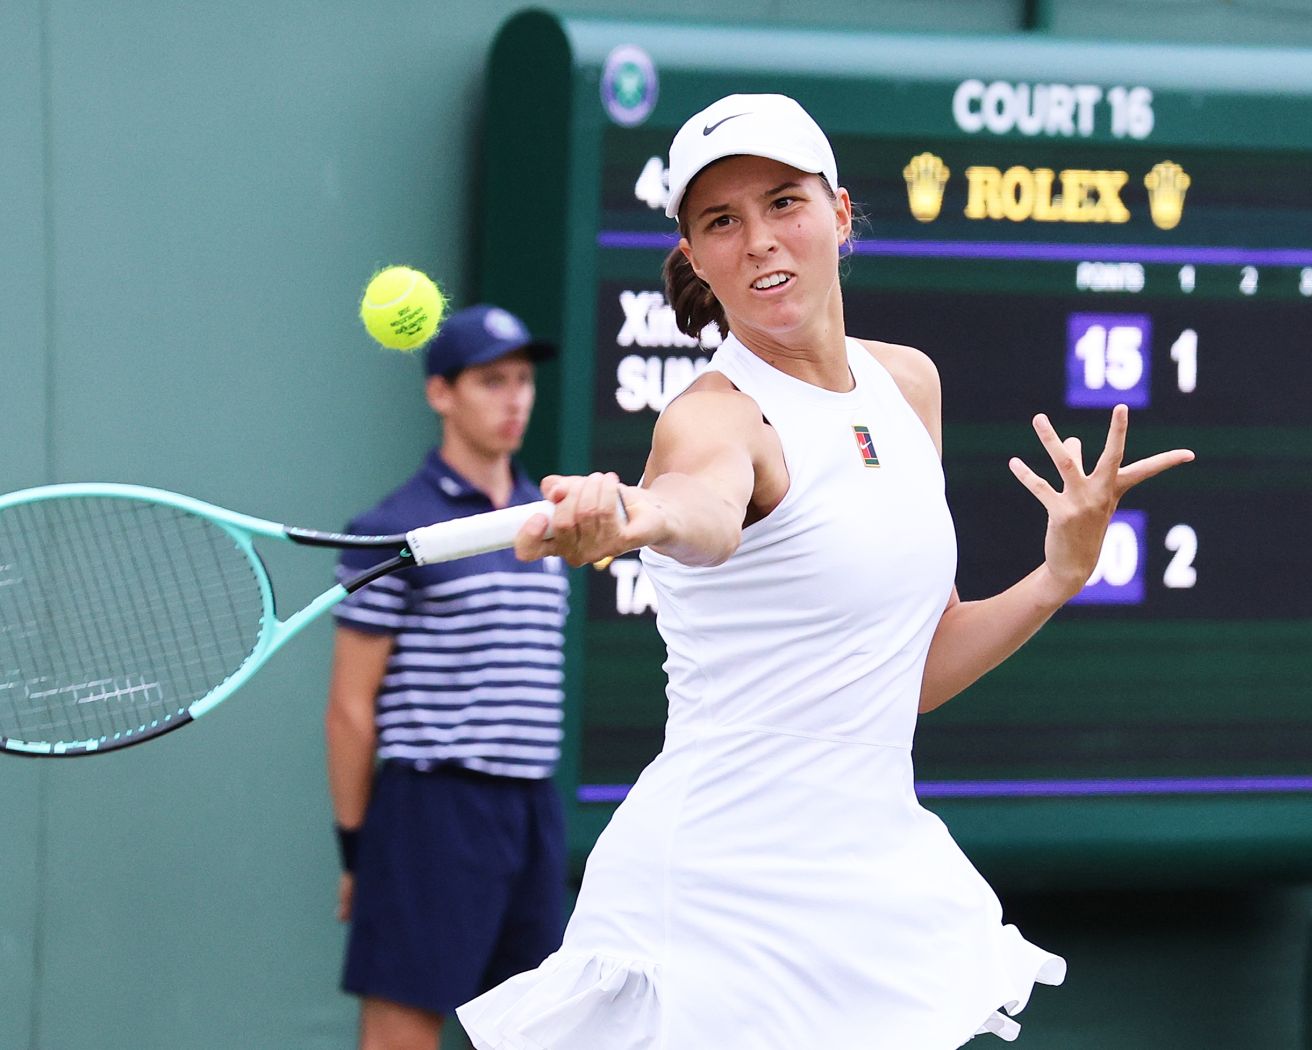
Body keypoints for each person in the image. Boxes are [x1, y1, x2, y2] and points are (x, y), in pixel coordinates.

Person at [458, 95, 1194, 1049]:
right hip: (720, 898)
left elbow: (913, 670)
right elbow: (703, 508)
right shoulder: (714, 416)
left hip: (869, 885)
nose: (760, 241)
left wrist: (1057, 574)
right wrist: (634, 516)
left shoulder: (908, 384)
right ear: (695, 257)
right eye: (722, 221)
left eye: (783, 203)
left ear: (839, 214)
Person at [325, 304, 569, 1050]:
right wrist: (356, 852)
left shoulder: (550, 518)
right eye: (492, 381)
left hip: (531, 811)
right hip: (429, 811)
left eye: (523, 380)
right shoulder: (393, 527)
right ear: (441, 394)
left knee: (540, 1034)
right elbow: (349, 708)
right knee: (401, 1033)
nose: (515, 398)